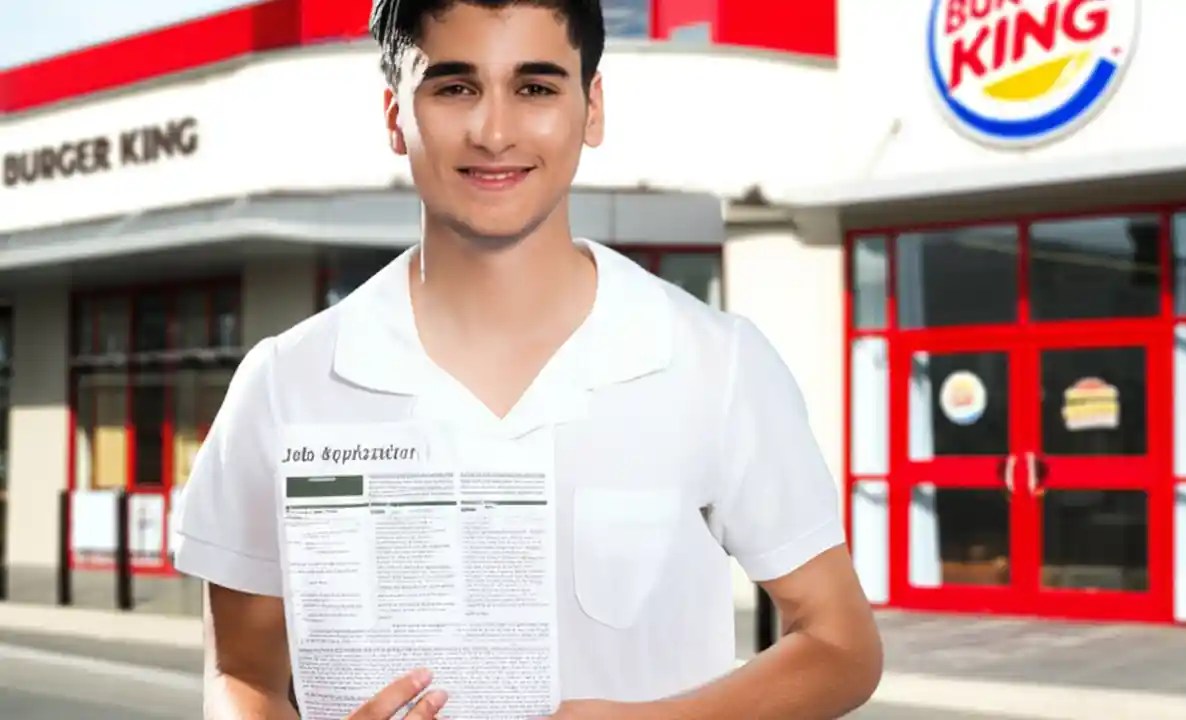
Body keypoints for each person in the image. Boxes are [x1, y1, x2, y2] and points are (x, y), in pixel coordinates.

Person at [172, 0, 884, 717]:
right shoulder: (282, 385)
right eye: (454, 88)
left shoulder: (718, 362)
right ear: (395, 116)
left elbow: (842, 642)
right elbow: (242, 675)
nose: (494, 132)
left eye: (535, 88)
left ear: (592, 107)